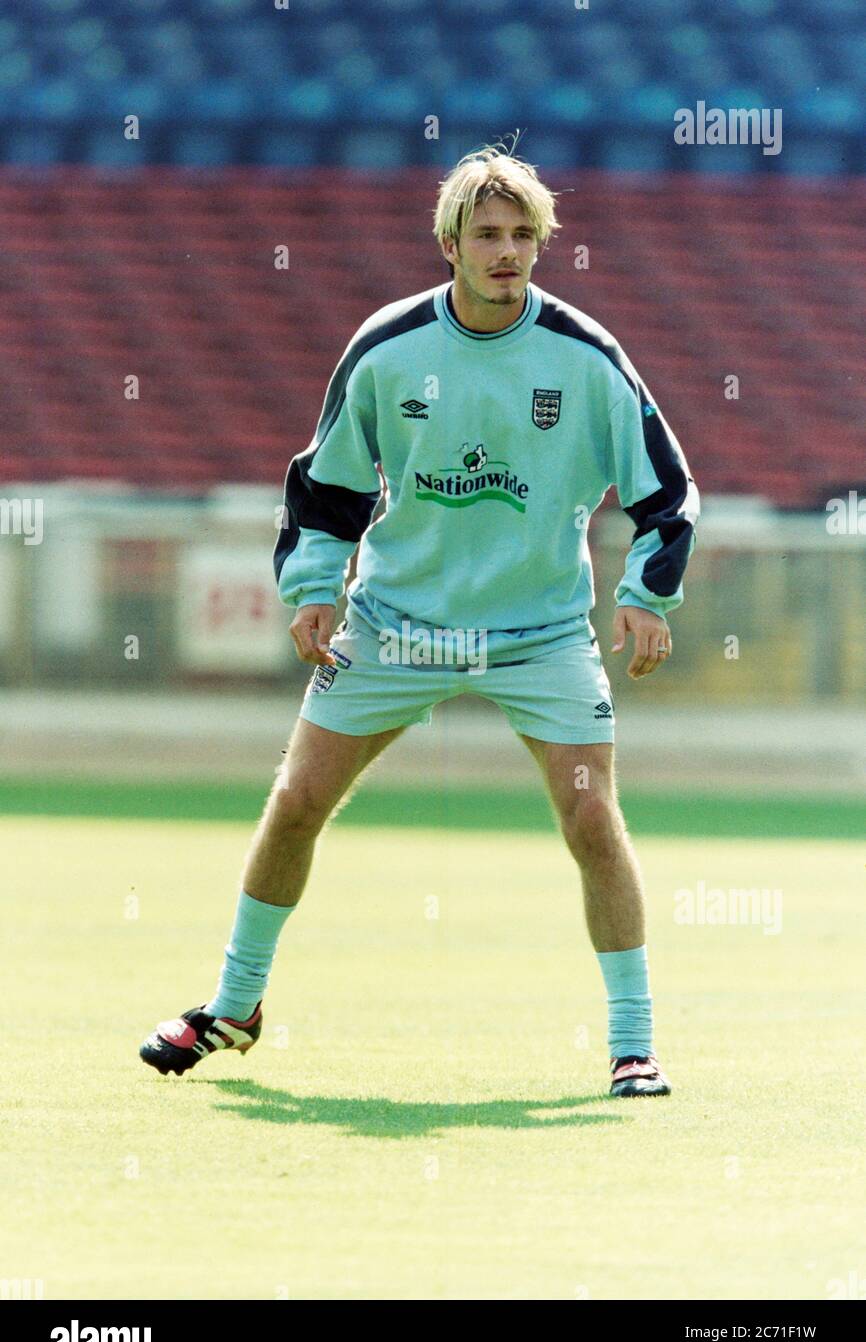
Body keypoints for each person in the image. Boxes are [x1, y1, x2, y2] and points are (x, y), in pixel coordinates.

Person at [141, 142, 699, 1097]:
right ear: (450, 241)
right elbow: (326, 485)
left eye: (524, 234)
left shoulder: (587, 357)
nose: (507, 250)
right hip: (394, 624)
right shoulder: (387, 348)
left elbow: (668, 493)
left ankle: (633, 1045)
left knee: (591, 819)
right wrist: (314, 588)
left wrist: (648, 600)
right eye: (487, 233)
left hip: (542, 635)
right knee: (297, 801)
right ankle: (233, 1008)